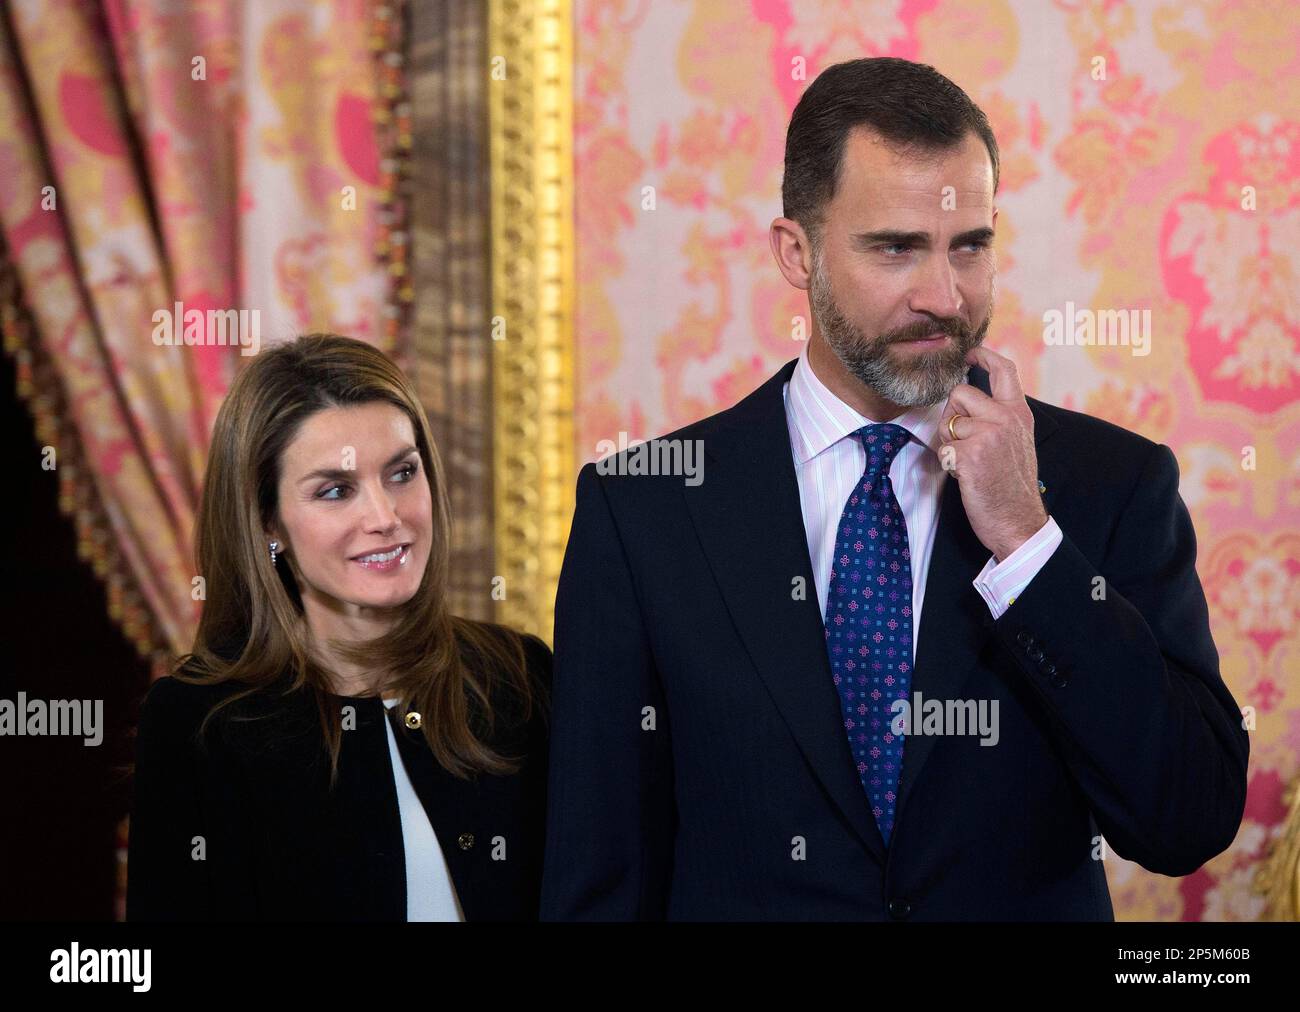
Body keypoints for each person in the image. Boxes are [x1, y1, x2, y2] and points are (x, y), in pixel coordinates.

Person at [541, 57, 1248, 920]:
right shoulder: (644, 509)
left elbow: (1187, 819)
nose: (944, 296)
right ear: (796, 252)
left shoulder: (1114, 484)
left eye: (970, 247)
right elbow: (601, 875)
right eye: (896, 248)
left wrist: (1029, 543)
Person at [127, 334, 551, 921]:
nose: (385, 517)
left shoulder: (520, 677)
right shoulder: (200, 723)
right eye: (335, 490)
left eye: (402, 473)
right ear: (267, 521)